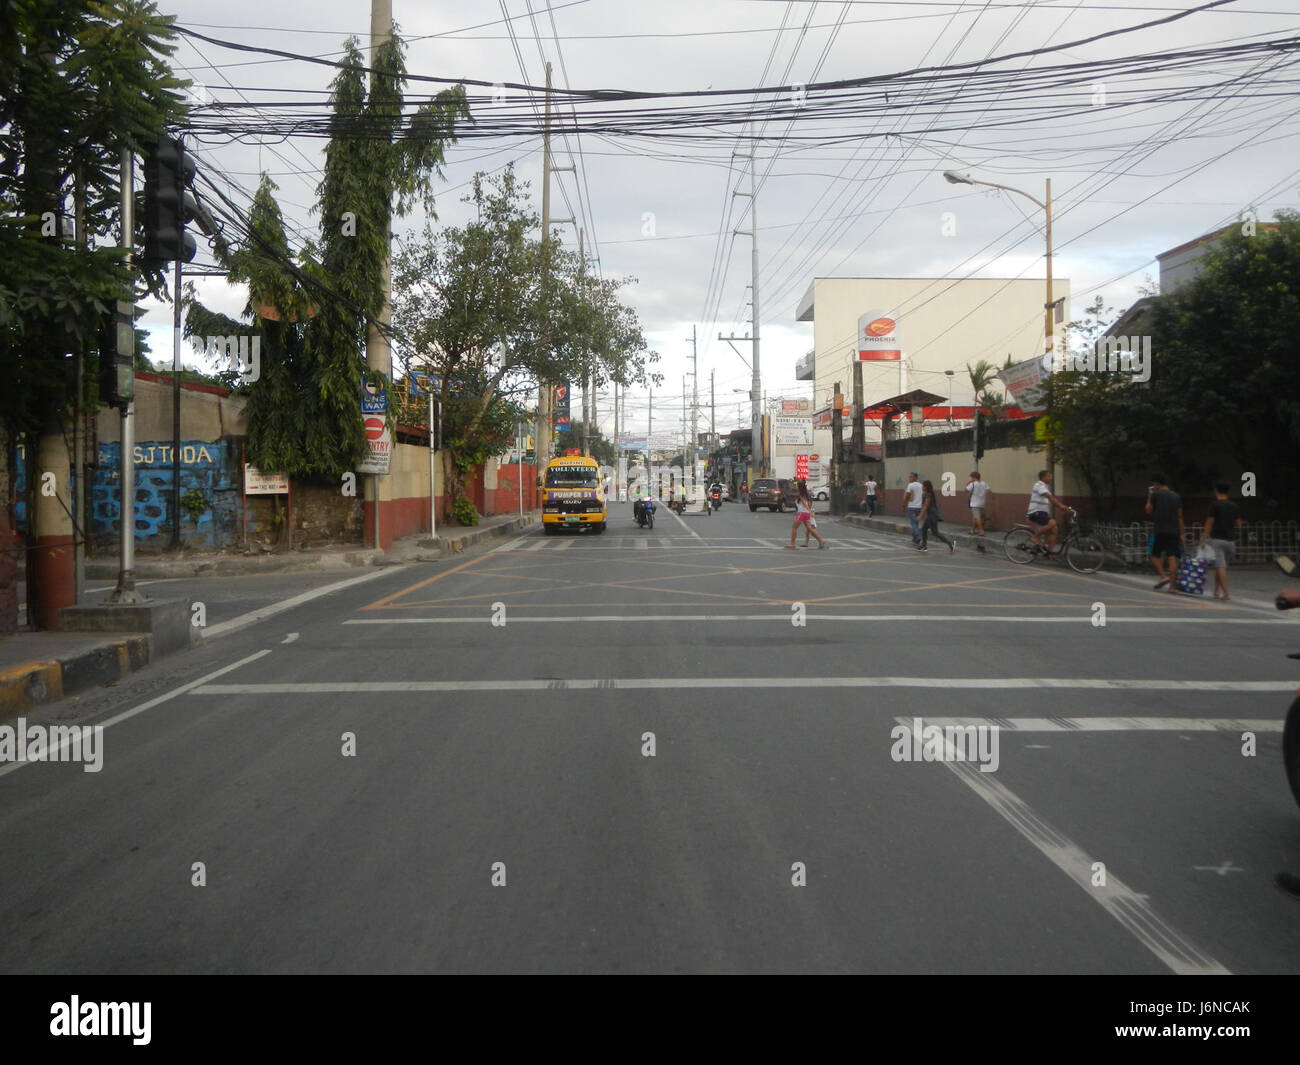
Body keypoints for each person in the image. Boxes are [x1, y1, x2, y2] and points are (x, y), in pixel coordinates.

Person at [1202, 480, 1243, 600]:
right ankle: (1216, 590)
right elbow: (1238, 523)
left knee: (1220, 566)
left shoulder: (1214, 505)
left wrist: (1204, 538)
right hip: (1231, 541)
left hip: (1218, 540)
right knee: (1220, 566)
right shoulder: (1234, 506)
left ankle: (1226, 594)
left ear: (1216, 491)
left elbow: (1209, 522)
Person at [1146, 473, 1184, 593]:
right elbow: (1180, 517)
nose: (1153, 486)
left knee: (1153, 554)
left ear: (1156, 483)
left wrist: (1149, 495)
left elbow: (1148, 510)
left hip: (1159, 530)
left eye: (1154, 483)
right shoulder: (1176, 496)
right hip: (1174, 531)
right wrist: (1182, 533)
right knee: (1172, 558)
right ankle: (1172, 587)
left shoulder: (1155, 494)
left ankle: (1163, 576)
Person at [1026, 469, 1069, 555]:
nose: (1050, 478)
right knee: (1052, 523)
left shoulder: (1045, 487)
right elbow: (1050, 498)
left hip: (1042, 513)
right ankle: (1035, 537)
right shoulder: (1039, 485)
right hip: (1036, 512)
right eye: (1049, 476)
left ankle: (1049, 553)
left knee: (1054, 530)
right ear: (1043, 477)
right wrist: (1061, 506)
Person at [787, 480, 827, 549]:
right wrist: (810, 513)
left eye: (797, 486)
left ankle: (792, 544)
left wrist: (811, 513)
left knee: (794, 527)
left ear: (800, 487)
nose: (796, 487)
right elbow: (808, 504)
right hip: (806, 514)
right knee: (810, 529)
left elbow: (806, 505)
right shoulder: (805, 494)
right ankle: (821, 540)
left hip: (802, 513)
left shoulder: (801, 495)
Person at [918, 479, 955, 553]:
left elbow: (926, 506)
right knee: (925, 530)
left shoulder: (928, 494)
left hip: (932, 516)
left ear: (926, 487)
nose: (922, 487)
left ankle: (950, 543)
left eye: (923, 485)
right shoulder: (926, 494)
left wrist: (920, 516)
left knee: (934, 533)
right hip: (930, 516)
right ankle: (924, 546)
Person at [965, 472, 989, 537]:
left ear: (974, 477)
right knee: (975, 517)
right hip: (982, 503)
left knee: (977, 518)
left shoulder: (972, 484)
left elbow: (966, 490)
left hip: (974, 503)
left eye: (971, 477)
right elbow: (987, 491)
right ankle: (972, 530)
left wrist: (968, 483)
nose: (971, 478)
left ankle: (981, 531)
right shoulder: (984, 483)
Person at [904, 472, 924, 546]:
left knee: (913, 523)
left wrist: (904, 504)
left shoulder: (910, 485)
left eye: (911, 477)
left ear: (915, 478)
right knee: (916, 523)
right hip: (919, 507)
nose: (910, 478)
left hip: (912, 507)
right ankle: (915, 538)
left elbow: (907, 495)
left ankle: (919, 538)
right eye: (909, 477)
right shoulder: (921, 485)